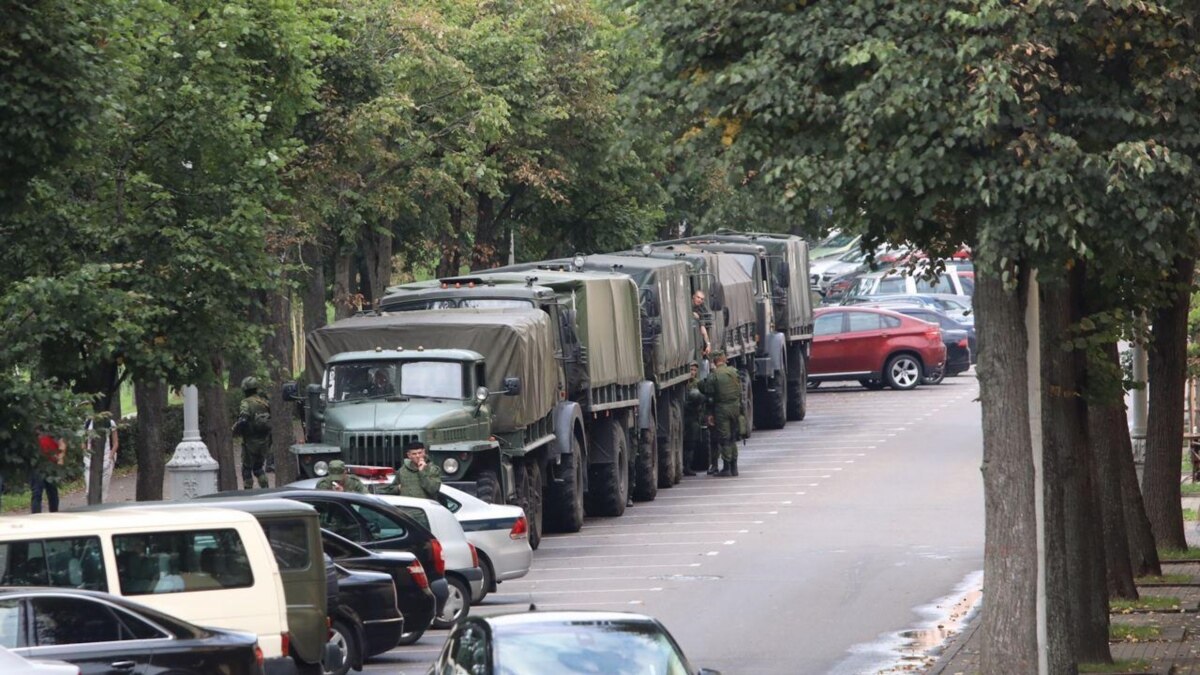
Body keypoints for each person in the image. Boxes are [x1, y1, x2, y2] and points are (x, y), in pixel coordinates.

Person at [700, 351, 744, 477]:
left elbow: (709, 396)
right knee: (733, 438)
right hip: (735, 408)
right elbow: (740, 391)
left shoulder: (714, 375)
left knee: (724, 439)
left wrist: (709, 414)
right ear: (724, 359)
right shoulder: (733, 372)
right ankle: (734, 467)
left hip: (722, 409)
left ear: (714, 361)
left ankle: (726, 467)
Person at [232, 376, 271, 490]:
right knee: (259, 468)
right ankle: (266, 489)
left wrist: (235, 430)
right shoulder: (264, 402)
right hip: (264, 441)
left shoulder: (246, 403)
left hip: (250, 442)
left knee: (246, 469)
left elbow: (243, 420)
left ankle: (247, 493)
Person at [84, 416, 118, 502]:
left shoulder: (110, 423)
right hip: (89, 460)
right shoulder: (87, 423)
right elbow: (83, 442)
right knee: (89, 492)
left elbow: (115, 443)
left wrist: (110, 457)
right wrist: (86, 455)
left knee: (103, 493)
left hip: (106, 460)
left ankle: (101, 512)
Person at [31, 430, 66, 513]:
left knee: (52, 492)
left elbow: (62, 444)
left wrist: (60, 460)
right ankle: (36, 517)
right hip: (37, 465)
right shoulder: (34, 430)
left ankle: (54, 514)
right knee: (37, 492)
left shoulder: (54, 429)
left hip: (51, 464)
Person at [682, 361, 706, 477]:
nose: (692, 372)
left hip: (693, 417)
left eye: (694, 370)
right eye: (691, 370)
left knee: (691, 443)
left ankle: (687, 466)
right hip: (684, 416)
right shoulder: (683, 383)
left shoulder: (698, 384)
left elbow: (703, 398)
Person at [692, 290, 712, 358]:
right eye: (698, 297)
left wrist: (708, 344)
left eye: (702, 299)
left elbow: (703, 329)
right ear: (693, 297)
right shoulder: (687, 305)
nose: (699, 300)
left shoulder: (701, 310)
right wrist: (691, 314)